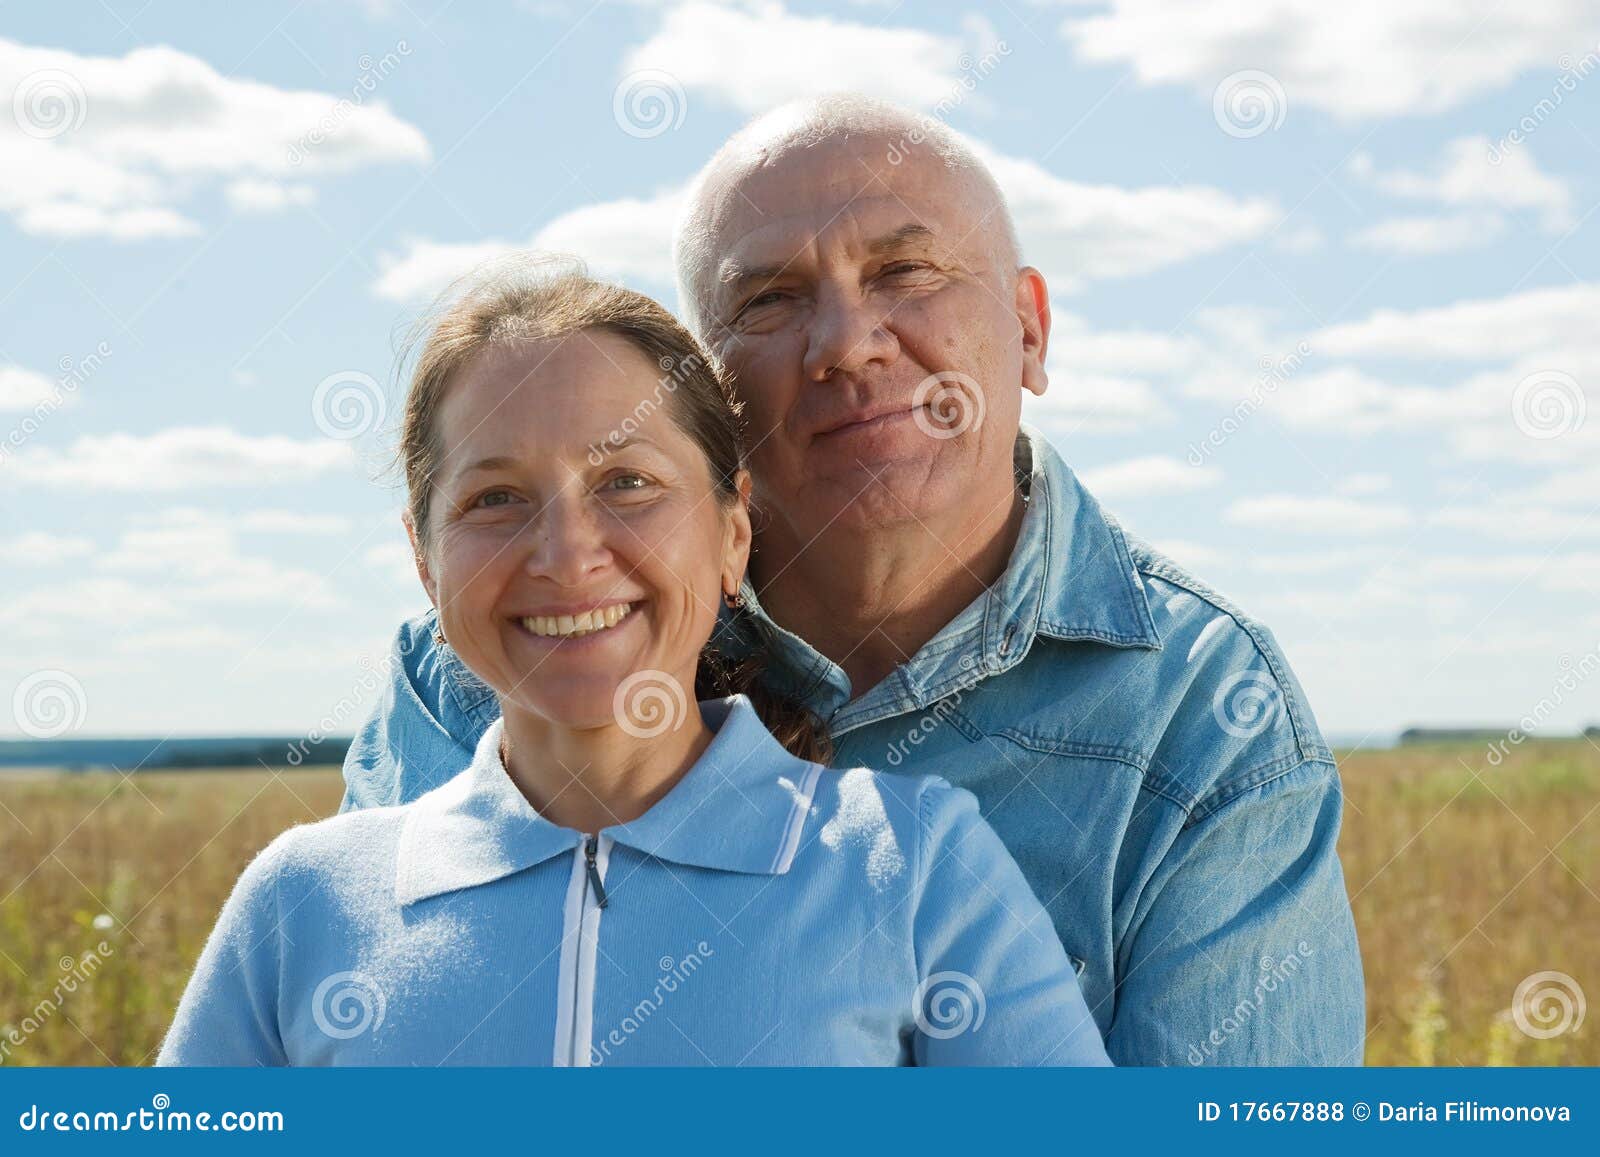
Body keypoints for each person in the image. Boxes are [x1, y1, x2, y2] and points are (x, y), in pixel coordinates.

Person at [342, 96, 1366, 1065]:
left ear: (1029, 330)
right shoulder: (486, 665)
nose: (844, 343)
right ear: (711, 393)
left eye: (906, 272)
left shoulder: (1202, 714)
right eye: (771, 298)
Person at [156, 262, 1111, 1067]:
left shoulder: (914, 868)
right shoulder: (304, 902)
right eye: (495, 499)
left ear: (732, 533)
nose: (567, 555)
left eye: (628, 484)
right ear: (423, 557)